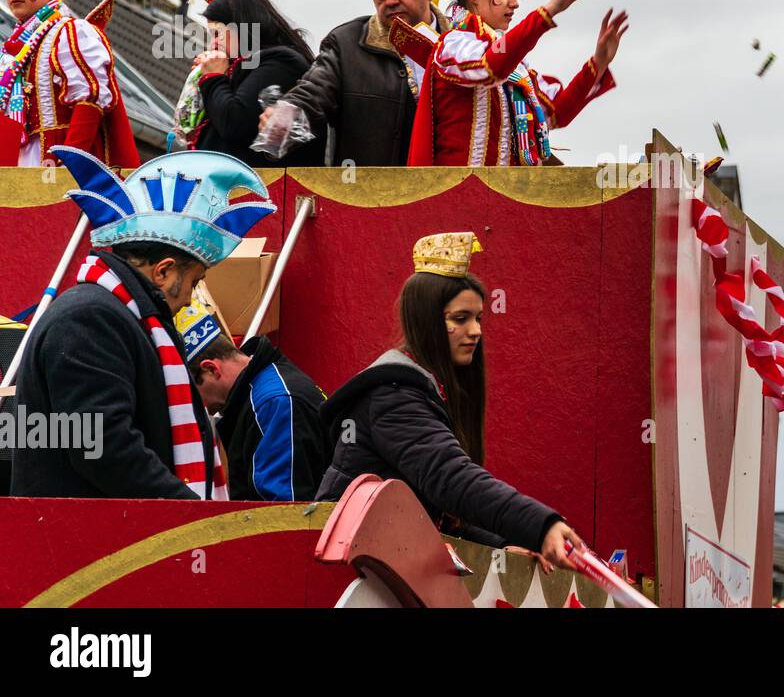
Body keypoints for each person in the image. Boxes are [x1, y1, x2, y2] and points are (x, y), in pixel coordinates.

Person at [10, 146, 276, 499]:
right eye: (195, 282)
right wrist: (191, 512)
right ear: (163, 271)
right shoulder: (90, 320)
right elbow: (105, 448)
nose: (190, 300)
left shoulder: (117, 315)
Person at [315, 232, 587, 571]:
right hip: (351, 574)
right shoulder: (393, 396)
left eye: (478, 318)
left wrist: (502, 544)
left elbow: (440, 515)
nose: (475, 331)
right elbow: (450, 479)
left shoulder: (418, 387)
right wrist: (540, 527)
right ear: (428, 320)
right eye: (460, 319)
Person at [405, 0, 628, 166]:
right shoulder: (453, 46)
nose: (515, 2)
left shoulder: (516, 69)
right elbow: (491, 67)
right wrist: (546, 14)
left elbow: (557, 112)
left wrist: (598, 62)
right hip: (458, 198)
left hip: (506, 200)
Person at [257, 0, 448, 165]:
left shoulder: (463, 44)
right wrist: (286, 117)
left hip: (452, 193)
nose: (390, 1)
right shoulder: (346, 44)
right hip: (367, 197)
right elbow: (312, 93)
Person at [176, 295, 329, 501]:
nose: (196, 406)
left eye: (193, 393)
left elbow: (284, 513)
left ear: (211, 369)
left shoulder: (275, 404)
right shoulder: (265, 387)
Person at [0, 0, 139, 168]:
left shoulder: (70, 32)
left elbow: (90, 97)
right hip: (22, 160)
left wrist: (70, 161)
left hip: (58, 159)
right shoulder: (14, 49)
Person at [187, 0, 328, 166]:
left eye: (217, 34)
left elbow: (235, 125)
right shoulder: (241, 67)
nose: (213, 45)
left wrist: (213, 78)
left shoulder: (281, 62)